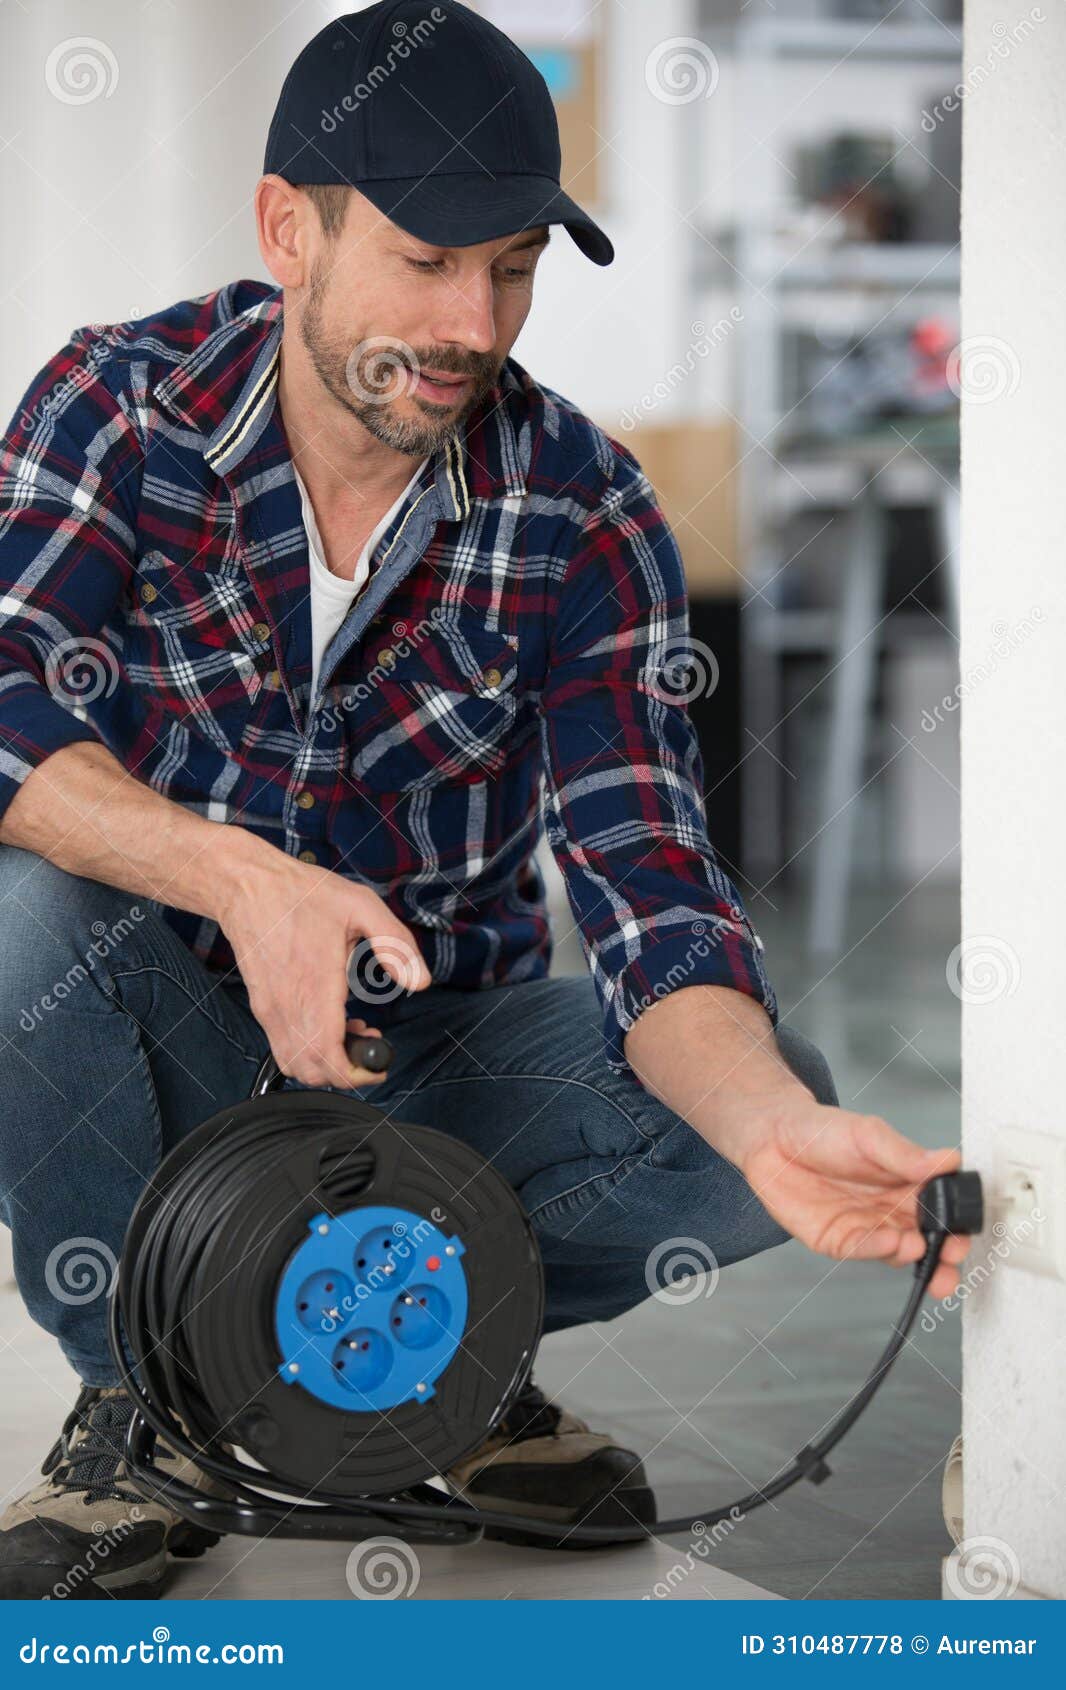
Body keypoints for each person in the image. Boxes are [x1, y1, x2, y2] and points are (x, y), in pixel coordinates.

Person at [0, 0, 967, 1600]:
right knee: (26, 903)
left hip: (411, 1074)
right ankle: (148, 1393)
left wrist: (771, 1127)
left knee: (744, 1101)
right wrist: (245, 881)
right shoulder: (120, 407)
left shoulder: (581, 506)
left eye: (510, 266)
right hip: (157, 1056)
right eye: (425, 259)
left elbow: (650, 886)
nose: (473, 319)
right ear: (286, 231)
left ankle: (445, 1350)